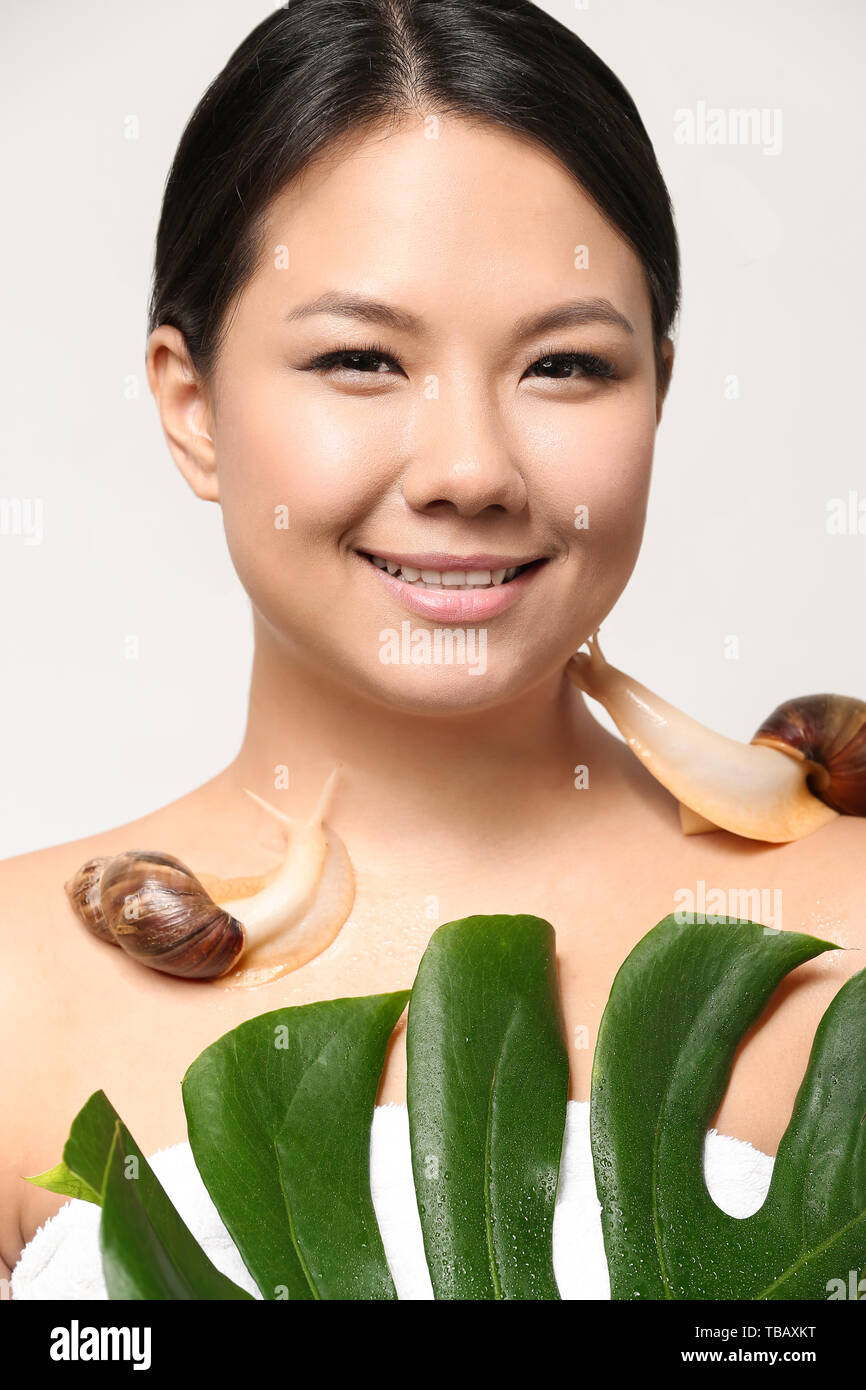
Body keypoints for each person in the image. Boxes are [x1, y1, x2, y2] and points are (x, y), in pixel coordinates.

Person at [2, 0, 862, 1290]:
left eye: (567, 367)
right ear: (191, 408)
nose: (470, 470)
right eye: (360, 358)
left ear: (661, 393)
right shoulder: (19, 994)